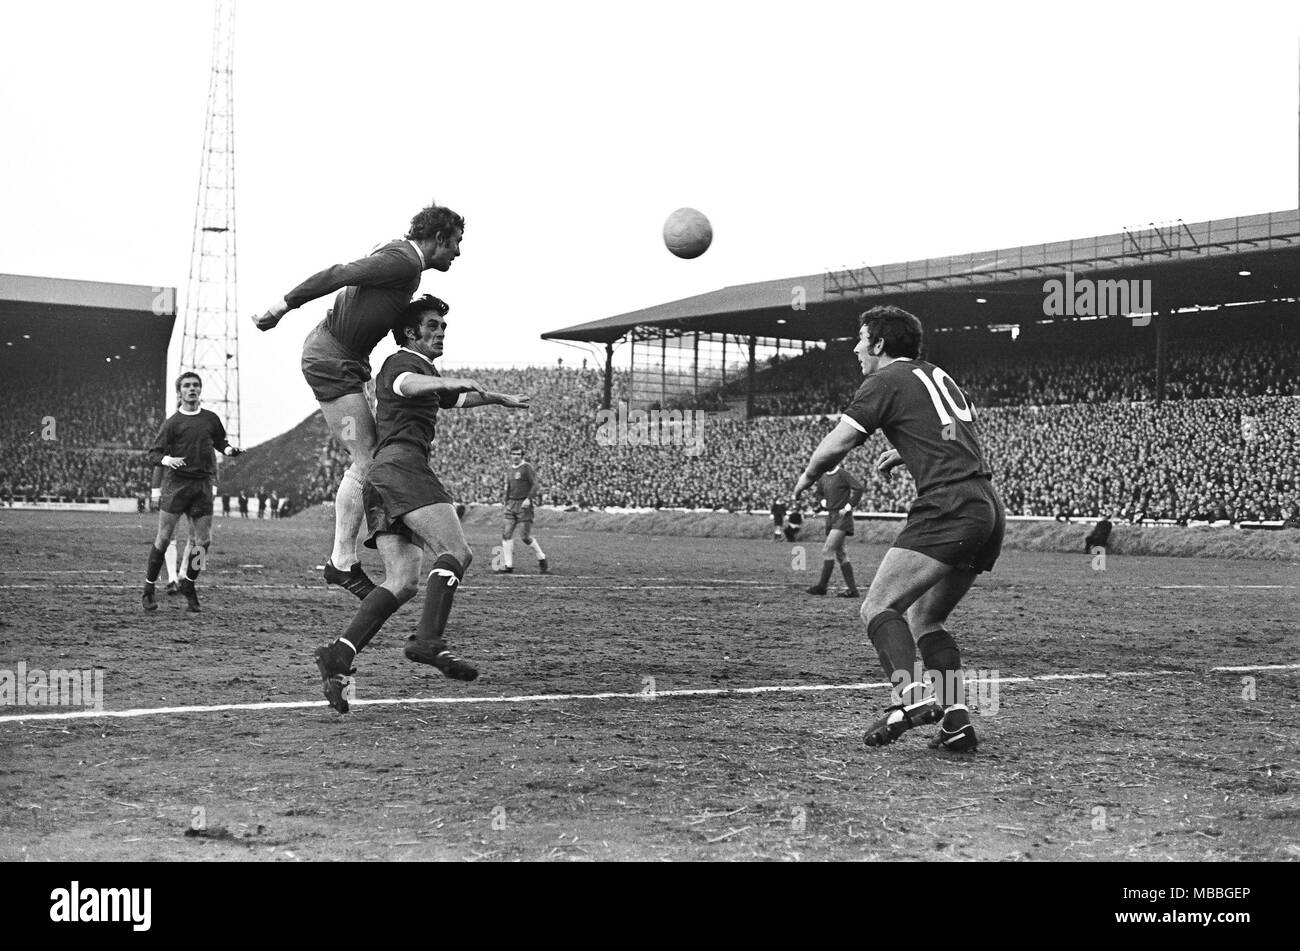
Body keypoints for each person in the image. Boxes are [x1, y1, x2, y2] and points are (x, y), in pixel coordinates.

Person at [793, 306, 1004, 753]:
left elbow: (841, 442)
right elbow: (950, 437)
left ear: (880, 344)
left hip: (949, 505)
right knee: (926, 618)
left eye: (860, 338)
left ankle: (911, 697)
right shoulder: (934, 375)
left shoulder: (884, 380)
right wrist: (905, 452)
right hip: (987, 505)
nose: (855, 347)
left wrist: (809, 474)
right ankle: (956, 723)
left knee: (877, 607)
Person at [312, 295, 529, 713]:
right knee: (457, 552)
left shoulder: (424, 370)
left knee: (403, 581)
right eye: (433, 326)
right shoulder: (401, 363)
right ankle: (428, 642)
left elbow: (455, 399)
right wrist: (448, 382)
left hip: (382, 478)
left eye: (443, 328)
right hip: (403, 469)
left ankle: (338, 655)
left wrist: (496, 397)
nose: (441, 333)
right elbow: (407, 386)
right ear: (411, 332)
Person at [252, 201, 465, 599]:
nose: (458, 252)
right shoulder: (405, 261)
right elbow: (339, 274)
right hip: (331, 360)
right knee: (366, 457)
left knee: (369, 456)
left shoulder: (403, 260)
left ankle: (345, 558)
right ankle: (341, 562)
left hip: (343, 359)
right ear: (438, 238)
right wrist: (281, 307)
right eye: (456, 242)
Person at [141, 372, 241, 613]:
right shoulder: (173, 423)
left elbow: (220, 442)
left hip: (202, 485)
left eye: (195, 385)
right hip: (176, 485)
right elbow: (153, 454)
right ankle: (148, 589)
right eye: (187, 386)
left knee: (203, 541)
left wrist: (228, 451)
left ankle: (189, 583)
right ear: (180, 392)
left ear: (200, 390)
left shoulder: (210, 419)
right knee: (164, 538)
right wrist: (167, 460)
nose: (192, 389)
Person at [804, 464, 863, 598]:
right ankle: (853, 590)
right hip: (830, 517)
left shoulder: (842, 474)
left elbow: (858, 488)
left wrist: (848, 507)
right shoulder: (823, 477)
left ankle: (822, 587)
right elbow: (819, 493)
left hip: (842, 517)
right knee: (840, 553)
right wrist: (822, 502)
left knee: (827, 550)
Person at [496, 445, 548, 574]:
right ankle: (508, 565)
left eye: (518, 454)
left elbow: (535, 484)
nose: (515, 456)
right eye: (513, 454)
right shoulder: (509, 470)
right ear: (510, 455)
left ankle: (541, 557)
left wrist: (529, 498)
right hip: (511, 504)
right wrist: (506, 502)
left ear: (522, 455)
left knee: (525, 537)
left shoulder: (527, 468)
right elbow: (508, 487)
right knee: (506, 534)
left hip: (524, 505)